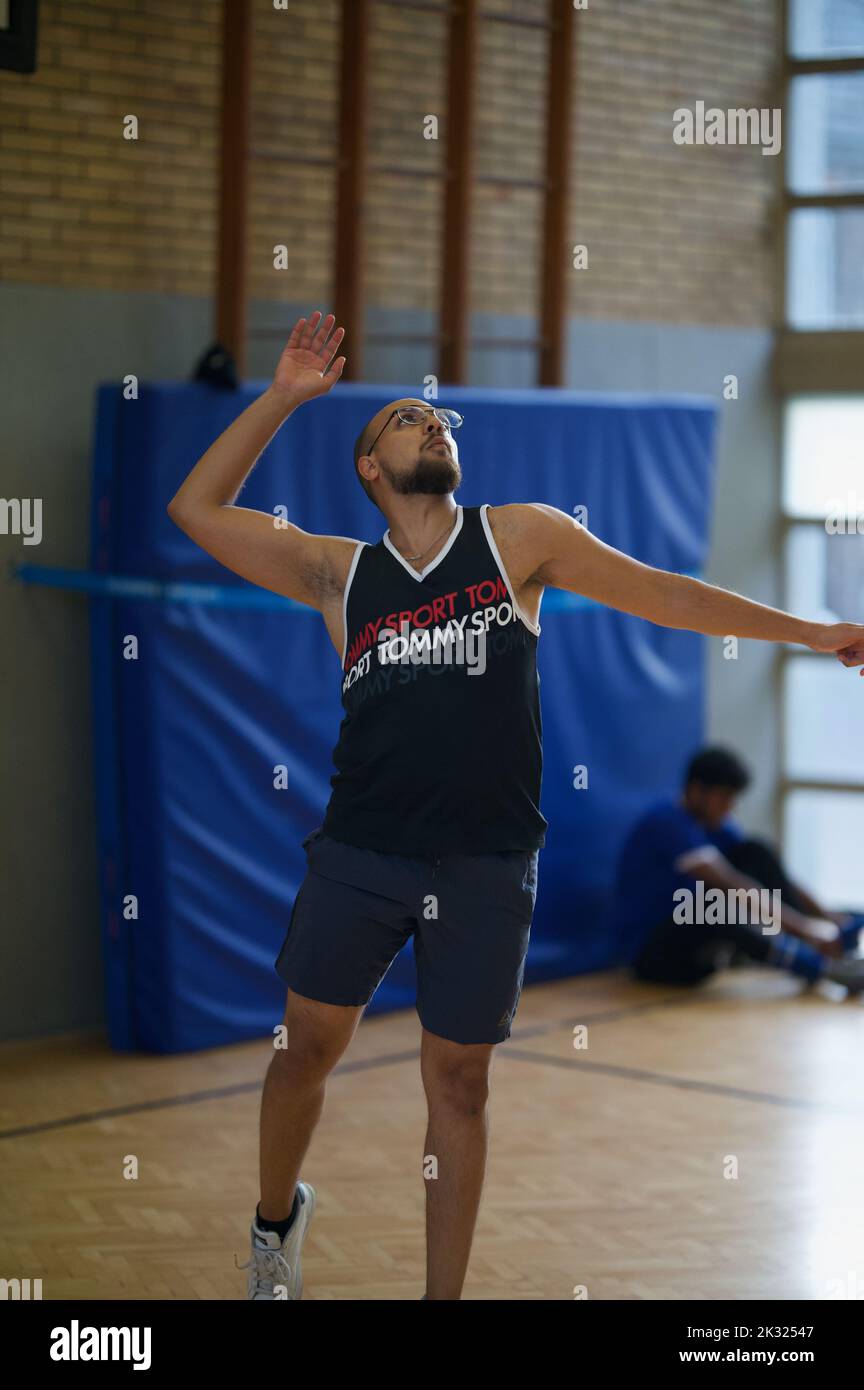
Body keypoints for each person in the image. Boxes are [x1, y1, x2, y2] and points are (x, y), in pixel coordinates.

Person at [166, 310, 864, 1300]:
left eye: (438, 421)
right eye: (407, 422)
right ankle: (276, 1223)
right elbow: (194, 509)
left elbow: (668, 593)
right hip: (362, 853)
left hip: (488, 862)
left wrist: (809, 630)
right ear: (370, 466)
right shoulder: (337, 571)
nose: (432, 427)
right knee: (305, 1049)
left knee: (459, 1082)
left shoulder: (517, 538)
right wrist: (280, 396)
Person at [612, 746, 864, 990]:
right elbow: (731, 883)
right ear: (696, 790)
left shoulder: (716, 825)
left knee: (756, 850)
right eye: (724, 797)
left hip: (697, 947)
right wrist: (803, 928)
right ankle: (816, 966)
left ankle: (821, 946)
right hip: (653, 957)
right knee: (713, 906)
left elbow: (766, 871)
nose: (730, 806)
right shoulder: (666, 822)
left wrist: (827, 918)